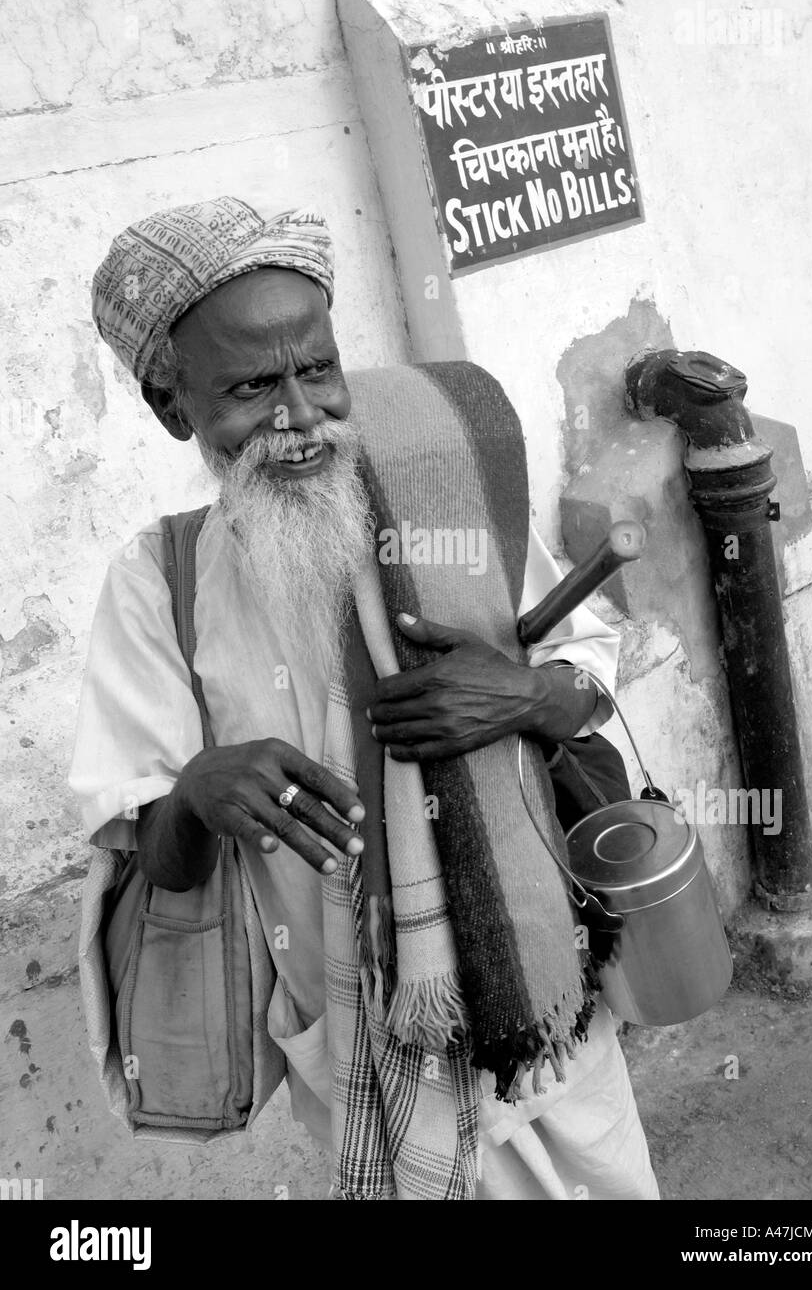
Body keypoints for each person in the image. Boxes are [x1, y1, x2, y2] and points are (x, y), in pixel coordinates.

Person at [70, 196, 659, 1201]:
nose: (300, 417)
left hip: (538, 1006)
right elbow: (143, 845)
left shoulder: (440, 491)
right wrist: (198, 790)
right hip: (351, 1038)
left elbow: (588, 670)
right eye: (253, 385)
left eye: (317, 369)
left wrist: (521, 697)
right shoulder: (156, 582)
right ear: (178, 410)